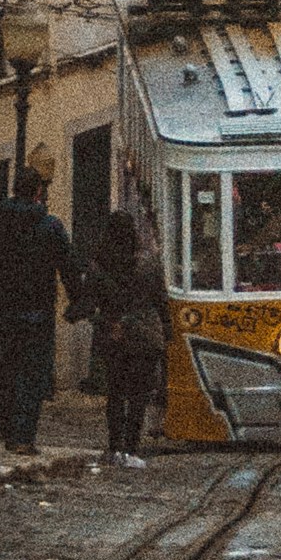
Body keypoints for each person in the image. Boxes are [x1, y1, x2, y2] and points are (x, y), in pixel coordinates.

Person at [0, 155, 79, 457]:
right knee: (31, 376)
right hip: (36, 313)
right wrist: (77, 302)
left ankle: (1, 427)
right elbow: (67, 267)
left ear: (13, 190)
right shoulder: (51, 227)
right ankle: (22, 436)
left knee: (4, 369)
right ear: (38, 192)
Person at [79, 191, 170, 461]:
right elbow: (160, 300)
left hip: (114, 334)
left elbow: (88, 302)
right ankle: (131, 445)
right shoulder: (149, 264)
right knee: (139, 396)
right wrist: (168, 331)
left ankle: (115, 444)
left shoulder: (98, 265)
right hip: (144, 336)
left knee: (116, 393)